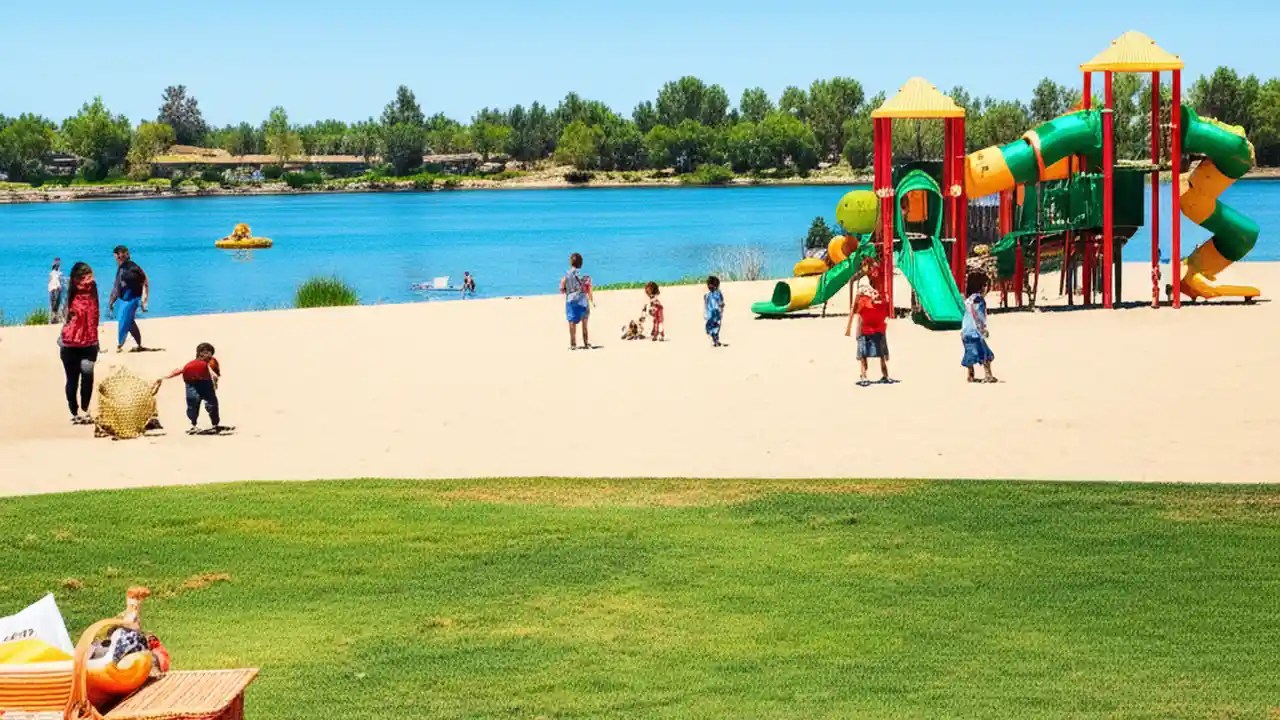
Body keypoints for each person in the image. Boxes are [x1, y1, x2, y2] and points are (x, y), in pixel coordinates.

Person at [58, 262, 100, 424]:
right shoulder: (92, 287)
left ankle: (75, 410)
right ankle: (84, 408)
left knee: (72, 378)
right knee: (87, 376)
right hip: (88, 340)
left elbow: (63, 313)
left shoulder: (70, 288)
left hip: (70, 341)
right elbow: (96, 312)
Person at [156, 342, 225, 433]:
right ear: (199, 353)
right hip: (197, 384)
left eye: (210, 353)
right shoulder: (204, 364)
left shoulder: (197, 363)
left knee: (197, 405)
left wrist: (165, 377)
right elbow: (213, 375)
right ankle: (203, 425)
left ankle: (201, 424)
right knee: (206, 404)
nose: (208, 355)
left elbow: (180, 370)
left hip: (195, 384)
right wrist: (215, 384)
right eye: (206, 353)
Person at [845, 286, 891, 385]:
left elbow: (854, 311)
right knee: (866, 354)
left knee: (866, 354)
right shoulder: (871, 305)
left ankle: (870, 375)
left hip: (872, 330)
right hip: (869, 331)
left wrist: (848, 329)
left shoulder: (872, 305)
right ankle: (867, 375)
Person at [108, 245, 149, 353]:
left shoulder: (122, 269)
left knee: (124, 321)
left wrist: (111, 301)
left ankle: (120, 345)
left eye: (116, 257)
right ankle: (138, 344)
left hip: (127, 300)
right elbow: (145, 281)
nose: (115, 259)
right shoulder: (134, 266)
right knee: (129, 322)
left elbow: (117, 287)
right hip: (134, 299)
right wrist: (144, 299)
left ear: (119, 256)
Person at [961, 276, 998, 383]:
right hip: (975, 332)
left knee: (970, 354)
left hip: (965, 332)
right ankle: (988, 375)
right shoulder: (979, 300)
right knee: (986, 354)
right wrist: (983, 329)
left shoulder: (968, 300)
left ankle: (970, 376)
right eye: (986, 285)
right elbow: (979, 315)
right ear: (981, 287)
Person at [559, 252, 594, 350]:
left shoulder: (567, 274)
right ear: (581, 264)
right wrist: (591, 299)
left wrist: (567, 290)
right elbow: (589, 286)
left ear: (571, 263)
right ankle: (586, 342)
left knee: (571, 322)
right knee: (584, 322)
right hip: (582, 301)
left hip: (571, 300)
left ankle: (573, 344)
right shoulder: (583, 275)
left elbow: (561, 287)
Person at [704, 275, 724, 347]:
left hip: (715, 313)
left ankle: (715, 340)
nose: (709, 287)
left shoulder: (717, 293)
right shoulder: (708, 294)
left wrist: (721, 306)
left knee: (715, 327)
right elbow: (706, 303)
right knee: (712, 327)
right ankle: (715, 339)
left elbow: (720, 301)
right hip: (711, 313)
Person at [48, 258, 64, 322]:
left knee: (55, 304)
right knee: (54, 304)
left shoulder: (57, 273)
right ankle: (54, 318)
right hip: (54, 289)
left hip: (55, 289)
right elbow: (51, 281)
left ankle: (54, 318)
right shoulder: (54, 273)